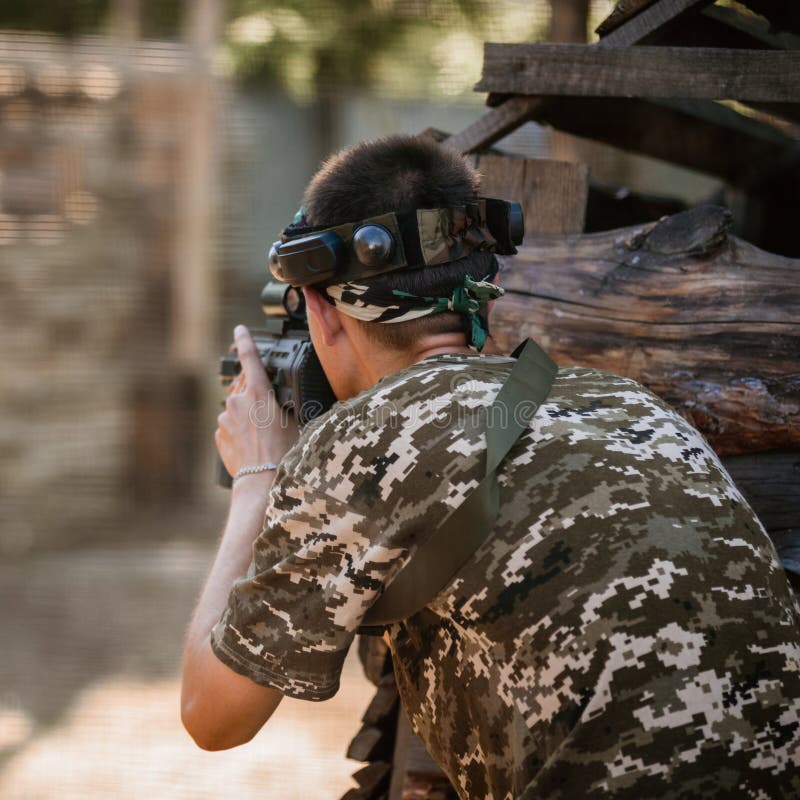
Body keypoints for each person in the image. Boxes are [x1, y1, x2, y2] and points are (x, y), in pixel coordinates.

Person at [181, 136, 800, 798]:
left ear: (320, 312)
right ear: (489, 291)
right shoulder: (625, 400)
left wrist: (258, 477)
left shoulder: (364, 440)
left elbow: (213, 716)